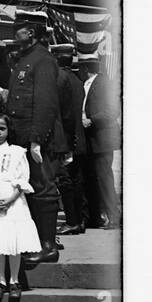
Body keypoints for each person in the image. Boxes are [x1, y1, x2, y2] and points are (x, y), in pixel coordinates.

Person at [4, 16, 62, 264]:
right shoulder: (25, 59)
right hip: (22, 136)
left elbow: (45, 103)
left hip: (36, 137)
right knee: (32, 188)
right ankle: (36, 242)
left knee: (43, 187)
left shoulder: (43, 60)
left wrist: (37, 139)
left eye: (20, 30)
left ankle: (48, 246)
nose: (16, 34)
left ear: (31, 32)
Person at [0, 115, 40, 302]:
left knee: (12, 240)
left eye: (2, 129)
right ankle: (0, 281)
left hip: (13, 200)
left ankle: (14, 280)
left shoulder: (18, 152)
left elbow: (23, 179)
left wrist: (10, 200)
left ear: (8, 130)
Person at [79, 53, 119, 229]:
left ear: (86, 68)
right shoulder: (87, 84)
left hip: (102, 139)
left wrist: (91, 120)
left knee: (104, 178)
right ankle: (96, 216)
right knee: (92, 178)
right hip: (91, 140)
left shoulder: (103, 83)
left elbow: (112, 110)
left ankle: (114, 217)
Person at [52, 44, 87, 236]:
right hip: (78, 138)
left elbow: (64, 114)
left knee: (65, 181)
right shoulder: (77, 80)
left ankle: (72, 221)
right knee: (75, 180)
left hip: (67, 137)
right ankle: (78, 220)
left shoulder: (59, 79)